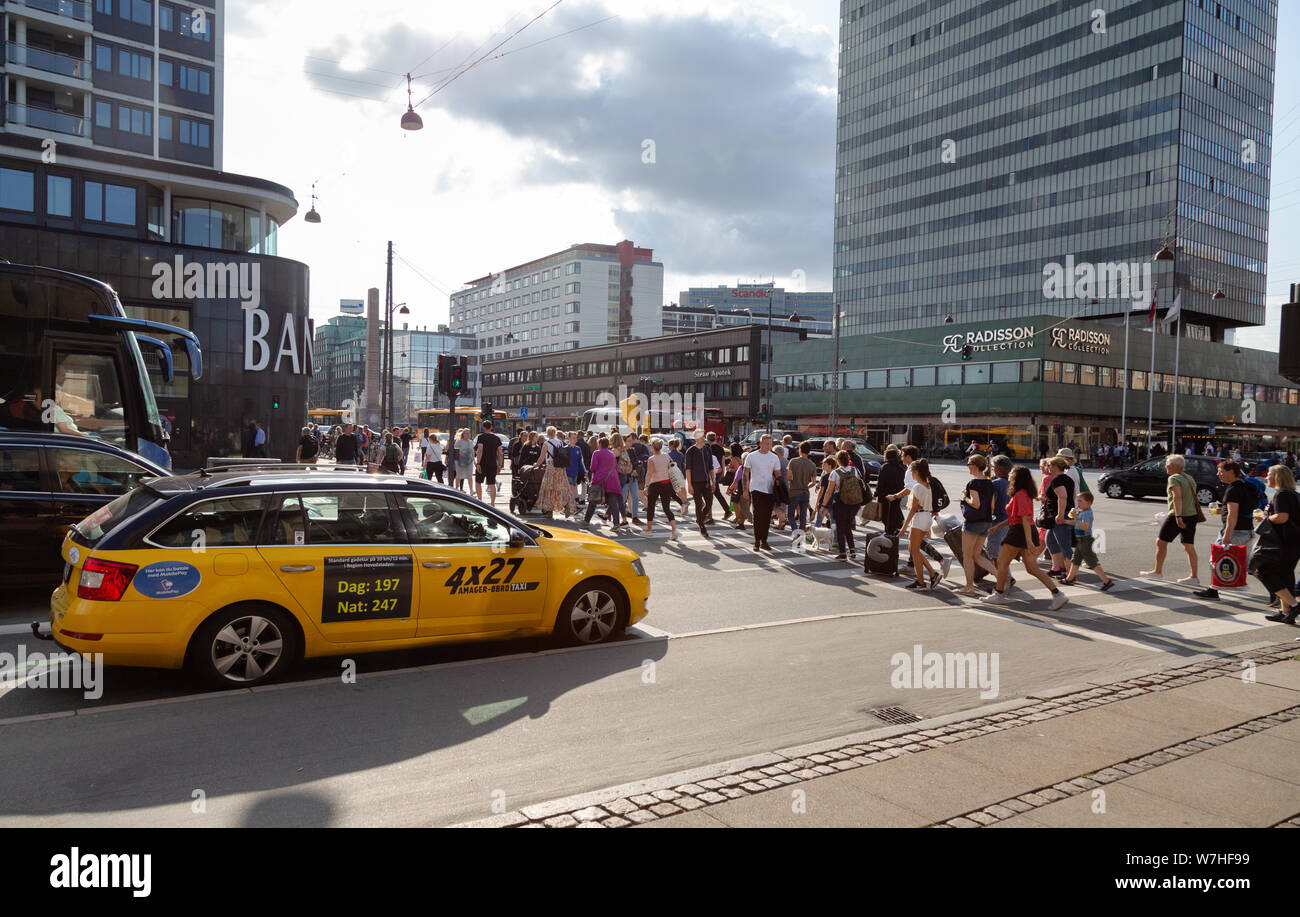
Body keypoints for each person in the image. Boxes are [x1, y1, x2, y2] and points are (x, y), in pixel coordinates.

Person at [982, 466, 1068, 609]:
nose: (1009, 475)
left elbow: (1025, 519)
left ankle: (999, 594)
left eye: (1011, 473)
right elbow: (1016, 518)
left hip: (1020, 532)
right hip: (1023, 531)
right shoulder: (1022, 493)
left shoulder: (1020, 494)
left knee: (1002, 563)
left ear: (1017, 477)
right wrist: (998, 526)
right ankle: (1058, 594)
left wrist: (1028, 541)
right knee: (1032, 568)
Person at [1194, 461, 1255, 600]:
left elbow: (1233, 514)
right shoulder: (1245, 486)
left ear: (1231, 472)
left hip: (1235, 532)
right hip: (1247, 530)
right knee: (1246, 565)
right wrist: (1222, 511)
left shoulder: (1233, 490)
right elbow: (1240, 510)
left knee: (1215, 560)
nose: (1218, 474)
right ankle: (1276, 591)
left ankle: (1212, 591)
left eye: (1220, 471)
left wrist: (1227, 535)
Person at [1140, 453, 1201, 585]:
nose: (1165, 467)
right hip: (1192, 515)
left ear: (1172, 466)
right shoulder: (1189, 477)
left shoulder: (1174, 478)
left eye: (1166, 465)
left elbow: (1177, 497)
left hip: (1177, 515)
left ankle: (1157, 571)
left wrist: (1178, 516)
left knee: (1161, 542)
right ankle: (1194, 577)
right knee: (1188, 545)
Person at [1259, 465, 1300, 624]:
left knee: (1263, 571)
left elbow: (1282, 517)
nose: (1266, 477)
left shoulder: (1281, 494)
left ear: (1277, 477)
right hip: (1294, 542)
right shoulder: (1293, 494)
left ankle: (1294, 605)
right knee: (1285, 576)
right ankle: (1286, 613)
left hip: (1284, 542)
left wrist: (1266, 519)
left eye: (1269, 474)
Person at [955, 454, 1000, 595]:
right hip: (986, 521)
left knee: (967, 556)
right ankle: (1002, 577)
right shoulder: (989, 483)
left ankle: (969, 587)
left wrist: (964, 497)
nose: (967, 466)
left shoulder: (974, 483)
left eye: (968, 464)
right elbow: (992, 506)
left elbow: (975, 503)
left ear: (974, 466)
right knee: (977, 555)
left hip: (973, 523)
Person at [892, 459, 940, 589]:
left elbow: (913, 508)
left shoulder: (917, 486)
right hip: (925, 517)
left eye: (912, 471)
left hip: (919, 517)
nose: (911, 474)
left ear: (917, 472)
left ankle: (922, 580)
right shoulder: (927, 485)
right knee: (913, 549)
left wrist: (904, 527)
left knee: (914, 550)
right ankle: (931, 574)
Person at [1062, 491, 1114, 590]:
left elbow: (1085, 526)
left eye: (1081, 501)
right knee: (1076, 561)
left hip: (1085, 540)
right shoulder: (1083, 512)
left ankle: (1107, 581)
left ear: (1089, 503)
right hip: (1081, 540)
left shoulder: (1087, 513)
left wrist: (1076, 518)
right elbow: (1076, 523)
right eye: (1078, 501)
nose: (1078, 503)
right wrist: (1065, 521)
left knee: (1091, 562)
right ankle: (1069, 579)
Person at [744, 434, 782, 552]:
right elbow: (745, 474)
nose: (769, 446)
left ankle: (764, 541)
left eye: (770, 444)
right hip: (756, 489)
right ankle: (756, 541)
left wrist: (780, 489)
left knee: (766, 517)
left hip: (769, 490)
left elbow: (778, 474)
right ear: (760, 443)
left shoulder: (774, 457)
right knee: (757, 515)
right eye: (766, 443)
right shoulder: (751, 456)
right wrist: (745, 489)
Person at [981, 454, 1014, 586]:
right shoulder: (1011, 483)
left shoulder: (994, 484)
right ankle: (1008, 577)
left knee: (994, 553)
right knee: (1001, 552)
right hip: (1009, 521)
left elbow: (991, 504)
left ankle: (1003, 580)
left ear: (997, 469)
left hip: (997, 521)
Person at [1042, 456, 1076, 578]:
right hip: (1060, 515)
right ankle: (1056, 567)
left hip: (1060, 515)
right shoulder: (1067, 479)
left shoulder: (1058, 480)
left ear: (1056, 467)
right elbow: (1073, 496)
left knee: (1064, 544)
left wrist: (1060, 515)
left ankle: (1069, 573)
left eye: (1050, 465)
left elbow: (1063, 497)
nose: (1048, 468)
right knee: (1050, 540)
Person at [583, 436, 624, 532]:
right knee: (613, 503)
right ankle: (616, 525)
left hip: (600, 480)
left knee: (593, 501)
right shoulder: (612, 454)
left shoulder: (596, 453)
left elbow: (593, 468)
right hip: (613, 481)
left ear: (600, 444)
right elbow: (616, 468)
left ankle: (586, 522)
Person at [827, 449, 863, 561]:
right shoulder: (854, 470)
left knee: (840, 529)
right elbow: (861, 482)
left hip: (841, 503)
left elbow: (829, 491)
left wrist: (823, 505)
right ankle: (852, 550)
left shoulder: (835, 473)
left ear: (838, 460)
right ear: (848, 459)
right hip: (854, 503)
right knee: (848, 527)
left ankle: (842, 553)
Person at [643, 437, 680, 540]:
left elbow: (649, 473)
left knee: (651, 506)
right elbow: (672, 467)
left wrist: (646, 486)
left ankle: (649, 529)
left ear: (653, 447)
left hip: (655, 484)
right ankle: (674, 530)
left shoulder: (651, 459)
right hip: (667, 483)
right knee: (666, 508)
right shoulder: (667, 456)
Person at [685, 430, 715, 538]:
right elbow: (688, 469)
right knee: (698, 504)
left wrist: (713, 482)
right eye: (702, 436)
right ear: (697, 438)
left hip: (706, 481)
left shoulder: (707, 449)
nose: (704, 438)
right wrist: (689, 484)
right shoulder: (690, 451)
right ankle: (702, 527)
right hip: (695, 482)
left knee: (709, 502)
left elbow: (711, 467)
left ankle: (700, 519)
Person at [787, 441, 818, 534]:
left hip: (794, 491)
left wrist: (791, 483)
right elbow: (813, 482)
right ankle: (801, 534)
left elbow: (788, 477)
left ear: (800, 450)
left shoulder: (793, 461)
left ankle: (795, 533)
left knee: (791, 515)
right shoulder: (812, 464)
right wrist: (806, 486)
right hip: (805, 493)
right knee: (803, 517)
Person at [876, 445, 907, 536]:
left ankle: (889, 531)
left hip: (885, 495)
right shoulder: (900, 467)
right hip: (897, 494)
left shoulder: (885, 467)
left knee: (885, 515)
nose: (883, 456)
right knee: (895, 511)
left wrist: (876, 493)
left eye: (885, 455)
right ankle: (894, 529)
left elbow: (880, 482)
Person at [474, 420, 504, 505]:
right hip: (492, 463)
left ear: (483, 427)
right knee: (492, 483)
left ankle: (480, 501)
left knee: (478, 482)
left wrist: (478, 463)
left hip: (482, 463)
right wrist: (499, 465)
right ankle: (492, 502)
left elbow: (480, 450)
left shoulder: (481, 437)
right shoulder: (496, 438)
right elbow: (500, 453)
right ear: (491, 427)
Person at [565, 430, 587, 507]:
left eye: (576, 438)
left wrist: (584, 472)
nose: (575, 440)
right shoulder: (565, 448)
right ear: (569, 438)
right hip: (567, 472)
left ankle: (568, 505)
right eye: (573, 438)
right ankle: (573, 506)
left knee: (573, 490)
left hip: (575, 473)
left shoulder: (578, 449)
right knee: (571, 489)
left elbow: (581, 461)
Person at [453, 428, 474, 492]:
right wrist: (461, 454)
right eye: (466, 433)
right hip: (460, 461)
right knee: (459, 475)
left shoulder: (470, 442)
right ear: (463, 434)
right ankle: (456, 488)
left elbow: (472, 451)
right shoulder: (459, 441)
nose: (468, 435)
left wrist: (474, 460)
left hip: (469, 461)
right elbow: (455, 450)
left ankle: (471, 490)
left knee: (469, 475)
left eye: (469, 433)